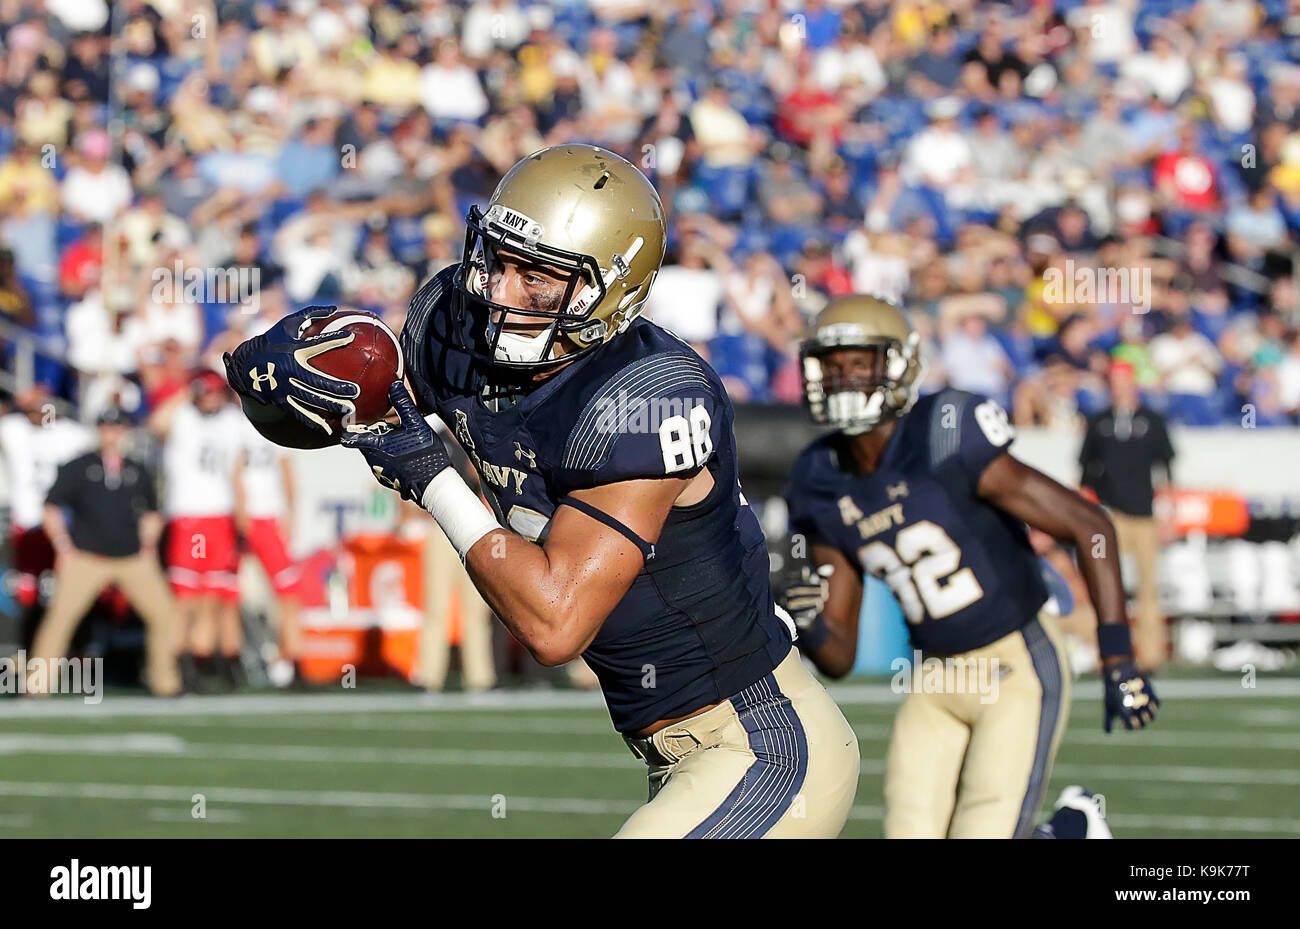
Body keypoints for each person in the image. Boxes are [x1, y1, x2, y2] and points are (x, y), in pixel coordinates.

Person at [224, 144, 861, 838]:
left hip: (758, 742)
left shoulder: (648, 397)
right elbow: (380, 412)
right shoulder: (455, 324)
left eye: (538, 277)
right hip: (674, 747)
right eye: (498, 259)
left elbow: (554, 622)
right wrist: (314, 385)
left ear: (611, 289)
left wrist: (430, 472)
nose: (500, 291)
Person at [777, 295, 1158, 839]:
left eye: (859, 363)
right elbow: (838, 657)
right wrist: (805, 622)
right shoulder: (817, 476)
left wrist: (1118, 655)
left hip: (1014, 662)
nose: (843, 379)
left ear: (897, 364)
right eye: (831, 366)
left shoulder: (944, 430)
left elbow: (1091, 526)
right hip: (933, 675)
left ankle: (1072, 828)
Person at [28, 407, 180, 697]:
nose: (112, 435)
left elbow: (151, 512)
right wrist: (63, 546)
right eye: (107, 428)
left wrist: (149, 547)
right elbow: (51, 506)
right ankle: (37, 685)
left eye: (118, 429)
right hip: (88, 556)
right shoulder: (79, 466)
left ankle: (166, 683)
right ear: (99, 431)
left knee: (164, 615)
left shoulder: (137, 468)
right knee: (61, 617)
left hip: (131, 557)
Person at [149, 371, 246, 691]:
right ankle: (179, 660)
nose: (211, 397)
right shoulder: (183, 417)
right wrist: (185, 391)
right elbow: (156, 423)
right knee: (185, 597)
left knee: (212, 597)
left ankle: (198, 663)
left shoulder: (231, 422)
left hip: (220, 516)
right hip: (189, 518)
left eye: (216, 392)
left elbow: (236, 473)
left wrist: (241, 519)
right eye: (205, 392)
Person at [1079, 363, 1175, 671]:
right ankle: (1106, 652)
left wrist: (1168, 514)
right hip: (1110, 516)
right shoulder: (1099, 422)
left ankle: (1151, 654)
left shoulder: (1151, 421)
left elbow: (1166, 471)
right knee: (1106, 586)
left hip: (1144, 515)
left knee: (1148, 588)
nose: (1120, 387)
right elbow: (1086, 474)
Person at [0, 386, 91, 647]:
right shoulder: (14, 428)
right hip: (27, 522)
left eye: (44, 404)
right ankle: (30, 651)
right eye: (34, 405)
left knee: (66, 591)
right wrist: (19, 402)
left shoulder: (71, 434)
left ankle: (73, 651)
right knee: (28, 592)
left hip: (64, 523)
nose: (40, 410)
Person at [235, 417, 303, 687]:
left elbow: (286, 469)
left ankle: (289, 659)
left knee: (287, 592)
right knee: (230, 595)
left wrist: (289, 512)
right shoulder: (233, 423)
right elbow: (235, 469)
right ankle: (238, 661)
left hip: (265, 517)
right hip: (247, 518)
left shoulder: (274, 418)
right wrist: (241, 512)